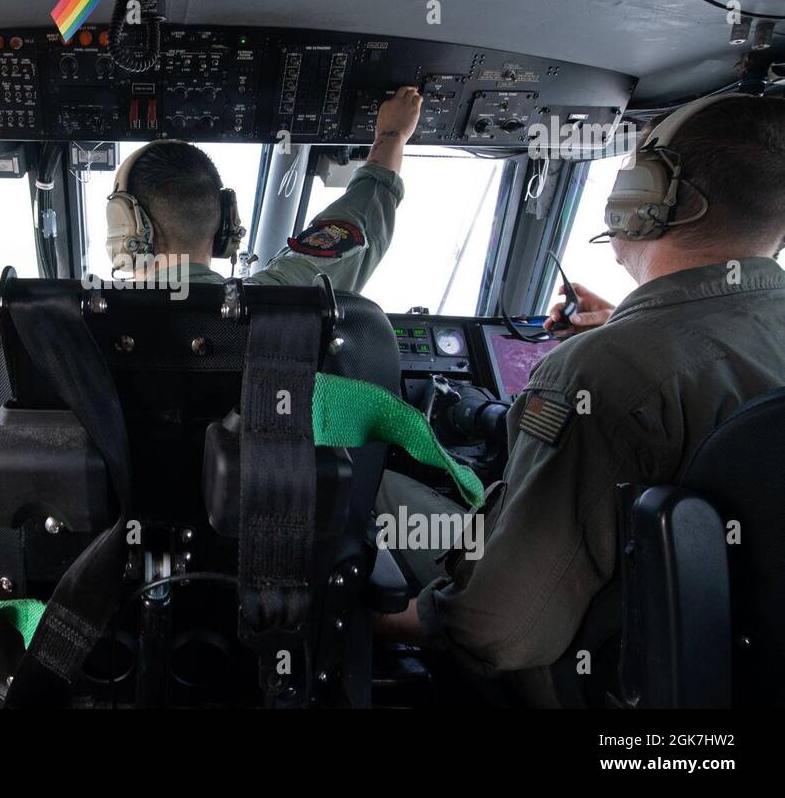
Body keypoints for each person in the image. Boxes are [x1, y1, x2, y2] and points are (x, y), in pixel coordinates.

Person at [374, 94, 785, 706]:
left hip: (601, 687)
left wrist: (378, 618)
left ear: (647, 195)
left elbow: (500, 634)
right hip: (739, 679)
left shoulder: (602, 371)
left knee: (382, 480)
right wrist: (629, 326)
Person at [103, 86, 423, 291]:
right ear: (226, 225)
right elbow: (361, 222)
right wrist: (394, 133)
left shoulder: (84, 326)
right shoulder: (282, 299)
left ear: (125, 229)